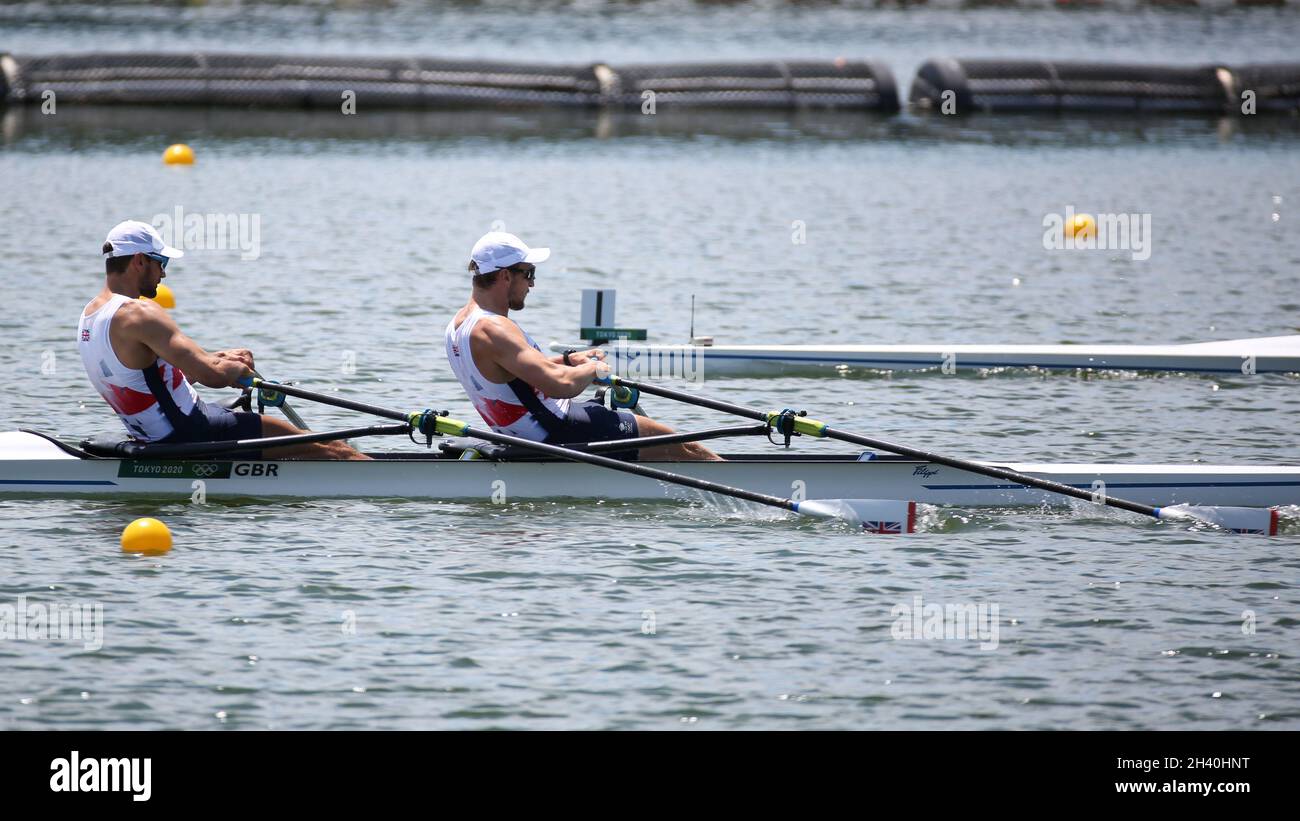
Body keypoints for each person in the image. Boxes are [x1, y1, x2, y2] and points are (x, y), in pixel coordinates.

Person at [78, 220, 367, 460]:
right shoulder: (139, 314)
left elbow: (149, 378)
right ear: (140, 261)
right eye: (161, 262)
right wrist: (236, 370)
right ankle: (382, 487)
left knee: (298, 445)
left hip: (153, 432)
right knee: (333, 448)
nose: (163, 273)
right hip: (192, 430)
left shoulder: (90, 316)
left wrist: (221, 357)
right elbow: (213, 376)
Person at [444, 231, 720, 460]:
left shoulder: (458, 324)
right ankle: (744, 482)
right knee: (685, 446)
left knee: (656, 441)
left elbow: (509, 373)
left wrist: (568, 360)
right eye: (529, 273)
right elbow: (559, 385)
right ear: (505, 276)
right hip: (559, 429)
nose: (532, 284)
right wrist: (593, 369)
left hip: (527, 433)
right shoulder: (495, 328)